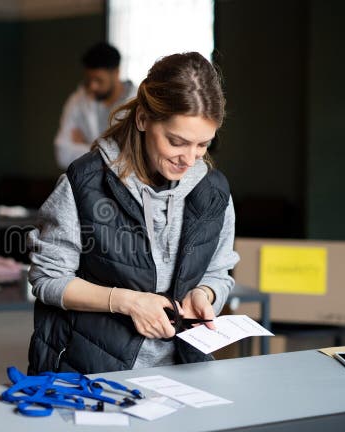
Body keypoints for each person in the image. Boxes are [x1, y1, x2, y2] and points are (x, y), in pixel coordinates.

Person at [28, 52, 239, 375]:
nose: (190, 159)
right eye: (176, 142)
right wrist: (127, 302)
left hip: (183, 371)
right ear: (142, 119)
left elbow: (219, 272)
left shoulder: (213, 192)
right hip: (89, 372)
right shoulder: (84, 183)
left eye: (203, 145)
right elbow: (48, 278)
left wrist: (204, 293)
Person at [54, 42, 137, 169]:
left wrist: (87, 146)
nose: (92, 86)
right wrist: (112, 150)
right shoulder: (77, 100)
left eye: (99, 80)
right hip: (87, 186)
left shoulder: (138, 103)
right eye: (89, 80)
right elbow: (62, 154)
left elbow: (132, 158)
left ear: (116, 73)